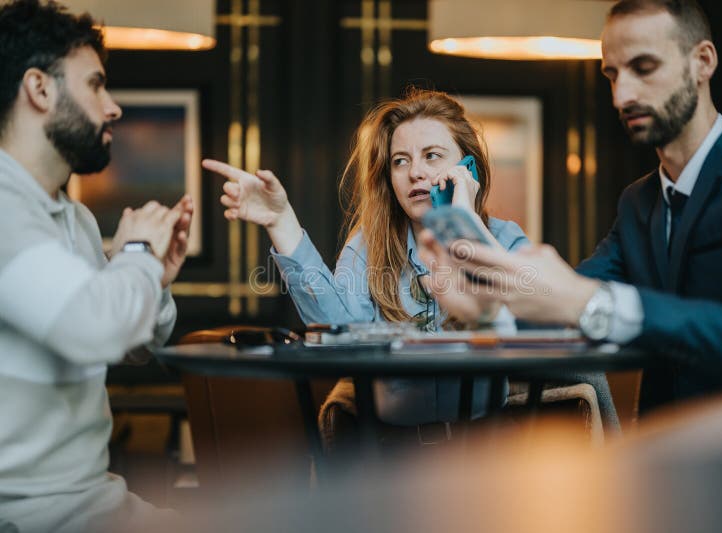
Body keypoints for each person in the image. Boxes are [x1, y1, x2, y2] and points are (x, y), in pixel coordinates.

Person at [419, 0, 722, 415]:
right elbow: (559, 306)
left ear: (702, 62)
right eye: (612, 75)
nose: (623, 95)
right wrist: (488, 311)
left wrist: (589, 302)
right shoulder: (638, 202)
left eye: (644, 68)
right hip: (661, 455)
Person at [203, 89, 617, 429]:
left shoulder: (504, 239)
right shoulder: (369, 246)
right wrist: (282, 221)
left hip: (490, 442)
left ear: (467, 167)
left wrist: (463, 223)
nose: (415, 172)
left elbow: (528, 328)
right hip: (392, 445)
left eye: (432, 156)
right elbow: (339, 332)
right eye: (401, 161)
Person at [0, 1, 192, 531]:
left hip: (91, 498)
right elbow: (93, 329)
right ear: (39, 89)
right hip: (28, 512)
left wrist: (156, 276)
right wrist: (134, 257)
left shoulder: (75, 217)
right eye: (96, 85)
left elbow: (132, 346)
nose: (113, 108)